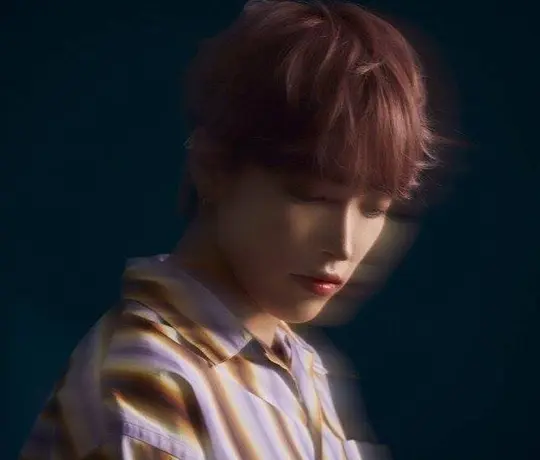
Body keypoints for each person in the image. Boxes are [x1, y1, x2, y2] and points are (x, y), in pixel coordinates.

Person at [20, 0, 442, 458]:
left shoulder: (297, 361)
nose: (344, 244)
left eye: (375, 209)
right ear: (213, 167)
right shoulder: (151, 379)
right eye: (312, 196)